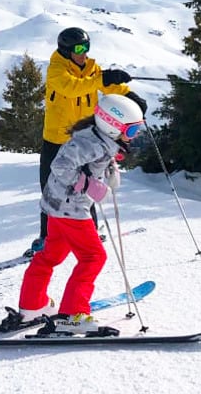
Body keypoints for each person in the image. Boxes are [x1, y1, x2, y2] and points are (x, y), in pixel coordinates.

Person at [9, 93, 145, 336]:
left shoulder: (98, 138)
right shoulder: (89, 143)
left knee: (50, 255)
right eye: (132, 131)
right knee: (93, 257)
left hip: (57, 205)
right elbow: (60, 166)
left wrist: (109, 169)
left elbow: (91, 161)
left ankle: (32, 305)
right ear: (112, 125)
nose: (133, 137)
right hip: (71, 209)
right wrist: (88, 185)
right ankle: (72, 316)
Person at [28, 27, 147, 255]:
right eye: (79, 49)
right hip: (57, 139)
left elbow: (107, 85)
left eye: (87, 47)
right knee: (51, 188)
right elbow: (72, 88)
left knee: (88, 185)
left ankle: (89, 232)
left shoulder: (91, 68)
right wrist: (103, 78)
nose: (84, 53)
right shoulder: (56, 70)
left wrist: (128, 95)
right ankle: (47, 237)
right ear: (66, 50)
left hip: (85, 139)